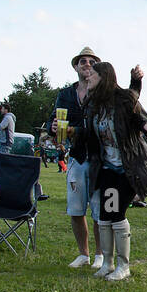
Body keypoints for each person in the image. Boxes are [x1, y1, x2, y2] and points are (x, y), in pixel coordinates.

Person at [81, 62, 147, 281]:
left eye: (93, 75)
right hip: (107, 169)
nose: (89, 77)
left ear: (104, 76)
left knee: (117, 214)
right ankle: (107, 263)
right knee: (105, 215)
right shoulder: (93, 104)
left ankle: (123, 267)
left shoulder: (123, 100)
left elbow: (137, 115)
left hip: (128, 167)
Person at [49, 47, 113, 270]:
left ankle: (99, 254)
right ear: (75, 67)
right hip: (76, 156)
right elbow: (52, 122)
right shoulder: (66, 94)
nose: (87, 64)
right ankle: (83, 254)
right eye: (82, 61)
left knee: (98, 210)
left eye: (91, 61)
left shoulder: (103, 93)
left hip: (99, 158)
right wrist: (53, 126)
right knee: (76, 209)